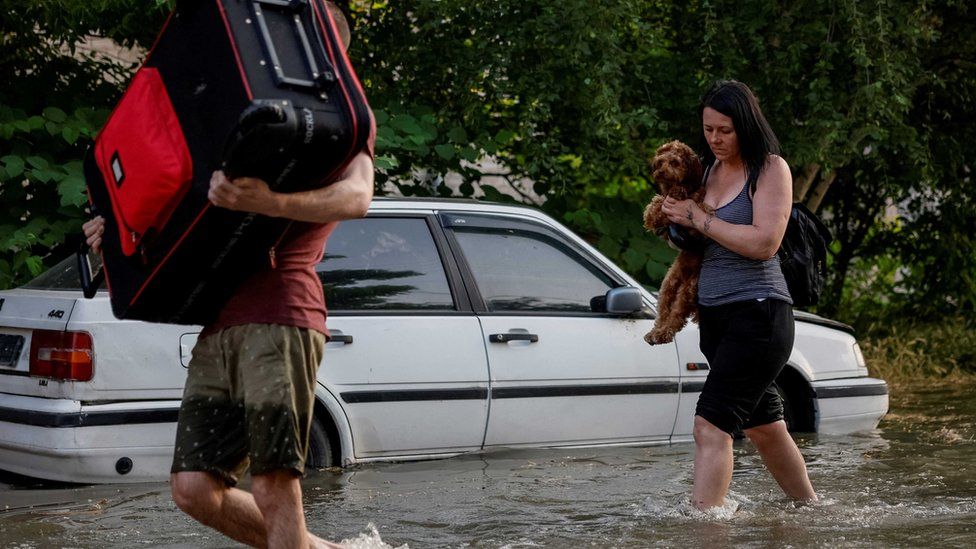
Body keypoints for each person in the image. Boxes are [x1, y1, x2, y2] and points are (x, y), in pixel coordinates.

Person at [83, 3, 373, 547]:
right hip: (219, 320)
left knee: (273, 480)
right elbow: (180, 209)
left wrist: (273, 201)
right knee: (194, 488)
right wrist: (117, 236)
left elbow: (358, 197)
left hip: (281, 312)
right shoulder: (237, 106)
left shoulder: (340, 122)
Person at [661, 80, 818, 510]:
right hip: (715, 318)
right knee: (765, 427)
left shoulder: (770, 169)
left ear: (745, 125)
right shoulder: (707, 171)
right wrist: (678, 223)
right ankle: (813, 511)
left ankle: (706, 529)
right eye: (708, 129)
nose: (714, 139)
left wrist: (699, 217)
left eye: (724, 130)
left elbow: (764, 242)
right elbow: (701, 243)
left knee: (709, 426)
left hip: (760, 316)